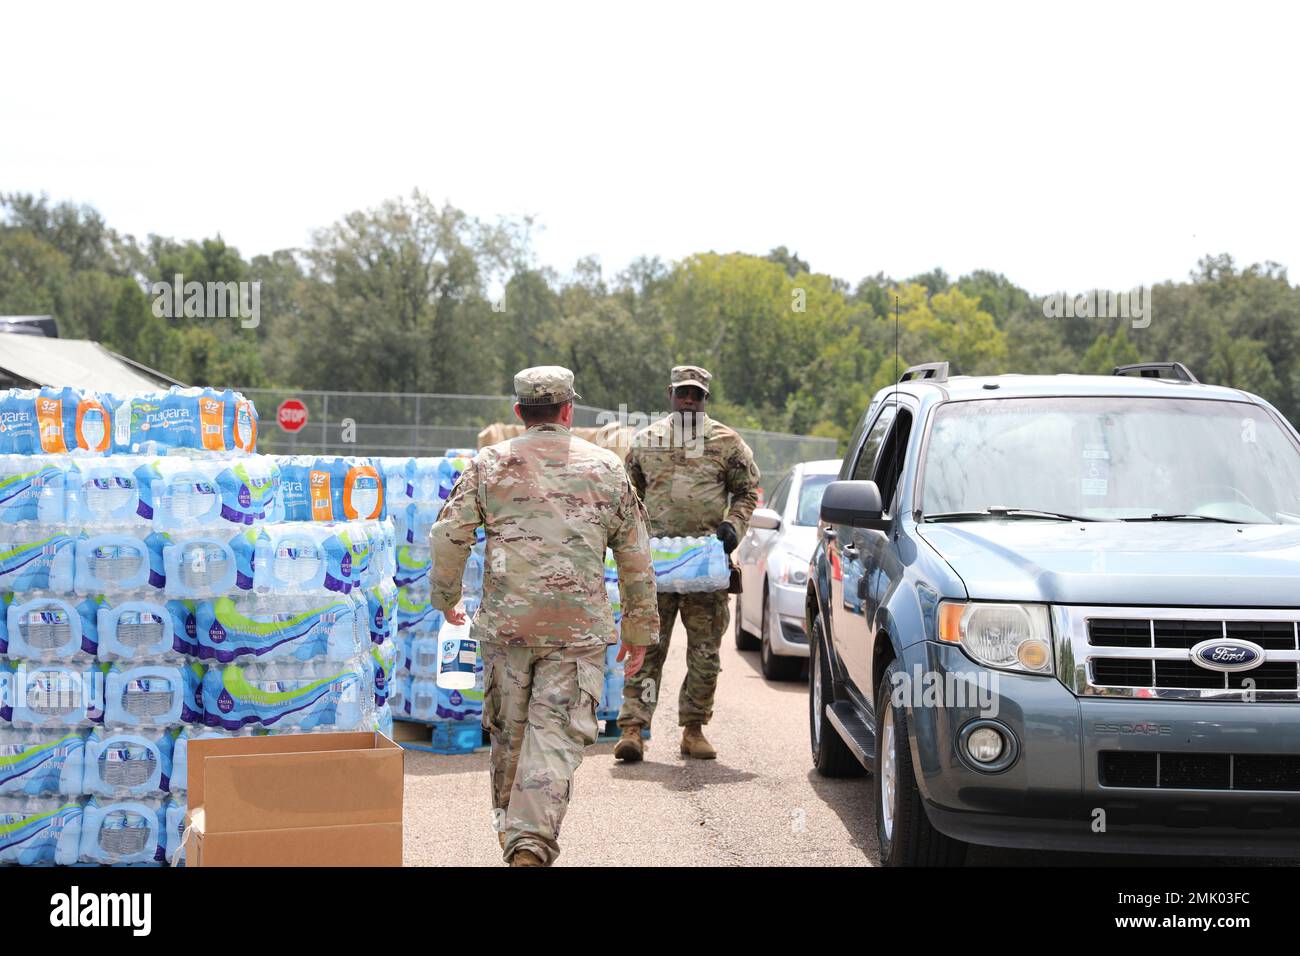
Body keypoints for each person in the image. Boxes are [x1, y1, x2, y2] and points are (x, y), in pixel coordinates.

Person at [429, 365, 658, 867]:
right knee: (553, 735)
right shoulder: (606, 468)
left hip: (508, 629)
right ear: (568, 410)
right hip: (576, 633)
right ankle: (529, 844)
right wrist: (640, 629)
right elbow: (636, 554)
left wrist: (446, 597)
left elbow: (448, 534)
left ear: (519, 413)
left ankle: (516, 839)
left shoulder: (490, 464)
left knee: (510, 735)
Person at [614, 365, 760, 761]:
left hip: (705, 566)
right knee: (646, 646)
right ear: (671, 394)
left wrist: (734, 525)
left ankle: (693, 729)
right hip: (656, 567)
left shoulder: (727, 443)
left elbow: (747, 492)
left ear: (705, 398)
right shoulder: (646, 441)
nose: (689, 400)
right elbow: (629, 498)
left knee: (705, 652)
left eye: (696, 394)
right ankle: (632, 728)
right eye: (683, 393)